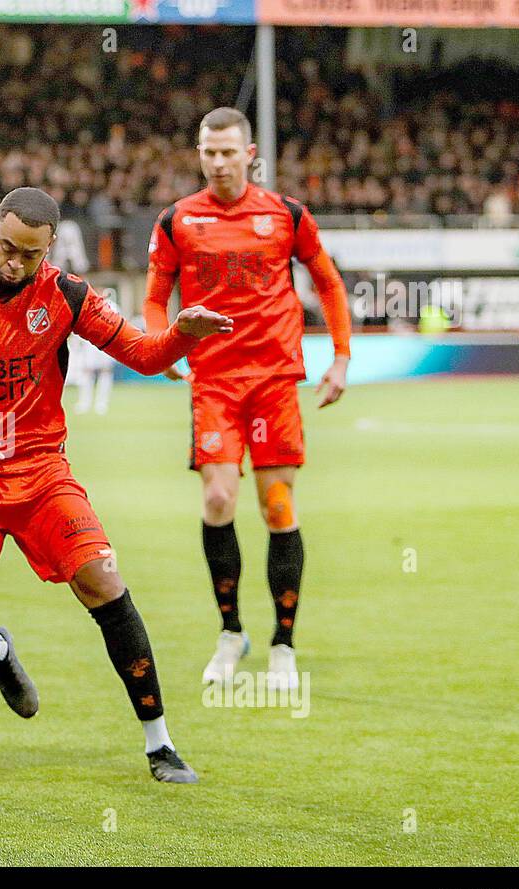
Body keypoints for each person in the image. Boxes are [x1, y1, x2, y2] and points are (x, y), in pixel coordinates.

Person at [0, 187, 231, 784]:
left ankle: (160, 744)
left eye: (30, 255)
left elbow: (143, 356)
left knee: (104, 581)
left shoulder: (67, 296)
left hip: (41, 473)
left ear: (50, 249)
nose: (15, 263)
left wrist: (182, 334)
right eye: (7, 247)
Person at [143, 107, 352, 691]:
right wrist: (163, 349)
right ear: (200, 154)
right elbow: (156, 299)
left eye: (229, 152)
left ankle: (284, 642)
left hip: (275, 379)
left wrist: (340, 357)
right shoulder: (178, 220)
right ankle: (231, 631)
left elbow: (329, 284)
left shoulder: (285, 214)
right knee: (216, 499)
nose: (218, 162)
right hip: (214, 382)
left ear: (250, 153)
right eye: (209, 152)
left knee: (278, 507)